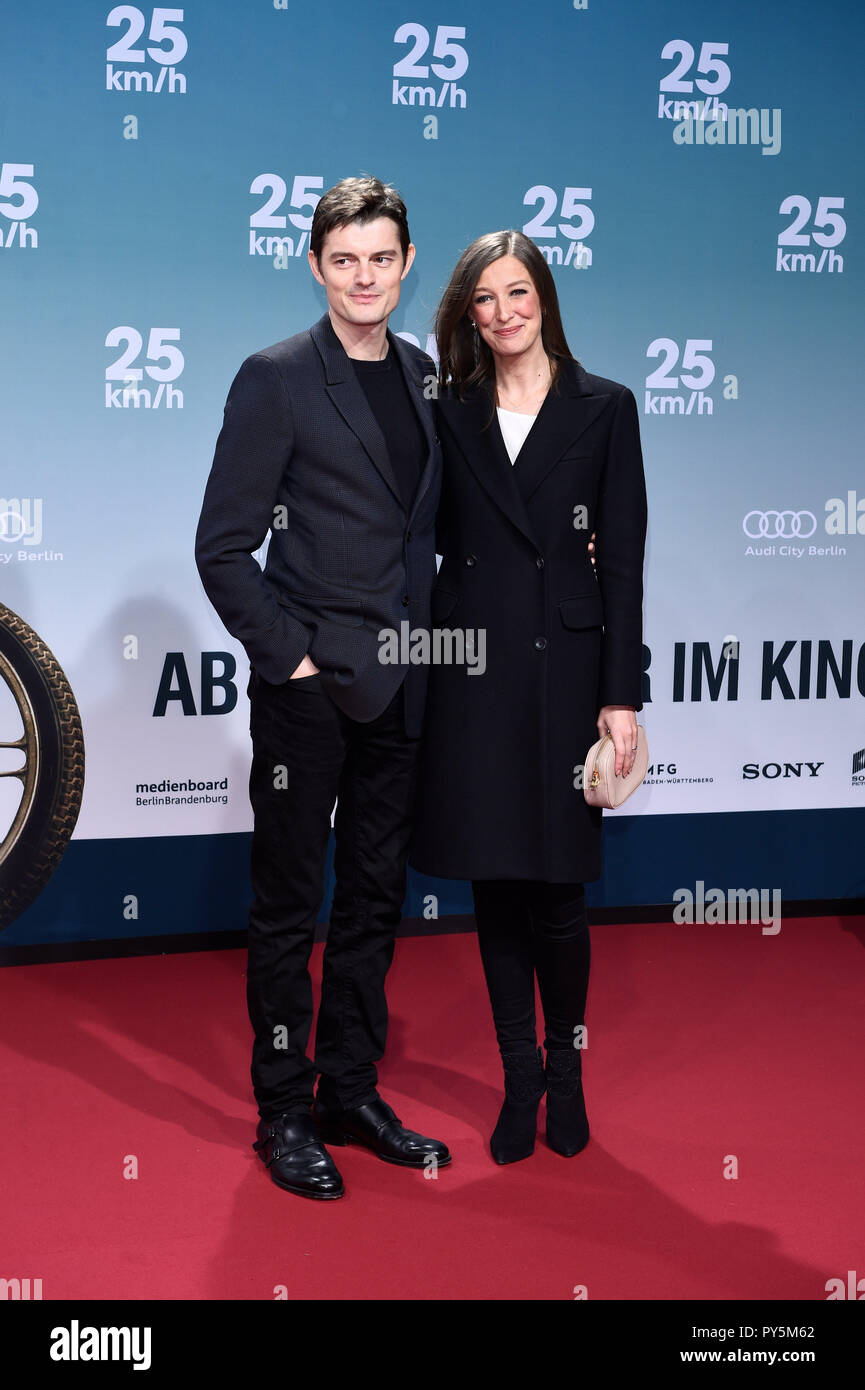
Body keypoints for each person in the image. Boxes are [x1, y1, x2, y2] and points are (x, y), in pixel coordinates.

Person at [195, 176, 450, 1199]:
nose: (363, 276)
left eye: (380, 258)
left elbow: (443, 529)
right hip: (308, 692)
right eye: (343, 259)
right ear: (315, 264)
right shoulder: (277, 377)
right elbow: (222, 547)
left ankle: (350, 1086)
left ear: (404, 262)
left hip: (404, 689)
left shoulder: (430, 378)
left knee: (376, 900)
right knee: (288, 905)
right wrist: (288, 655)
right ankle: (284, 1110)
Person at [410, 230, 647, 1164]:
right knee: (495, 889)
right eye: (483, 299)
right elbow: (420, 537)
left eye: (517, 293)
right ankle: (517, 1083)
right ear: (466, 313)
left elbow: (622, 562)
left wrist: (620, 694)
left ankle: (566, 1075)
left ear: (543, 297)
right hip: (470, 671)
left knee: (557, 895)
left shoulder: (605, 407)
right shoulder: (448, 410)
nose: (503, 313)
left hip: (565, 674)